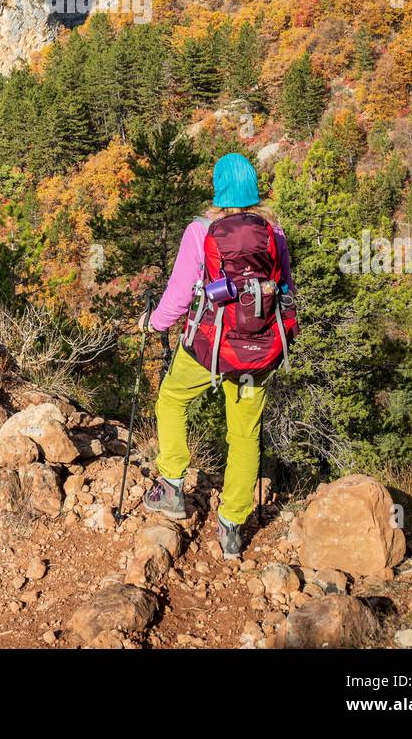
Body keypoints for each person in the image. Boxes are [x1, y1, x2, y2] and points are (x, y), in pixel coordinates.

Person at [139, 152, 297, 557]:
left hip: (209, 348)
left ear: (218, 189)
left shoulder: (201, 231)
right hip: (258, 352)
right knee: (244, 434)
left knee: (172, 400)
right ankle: (231, 527)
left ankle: (172, 486)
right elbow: (285, 289)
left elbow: (178, 297)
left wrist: (154, 324)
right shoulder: (274, 234)